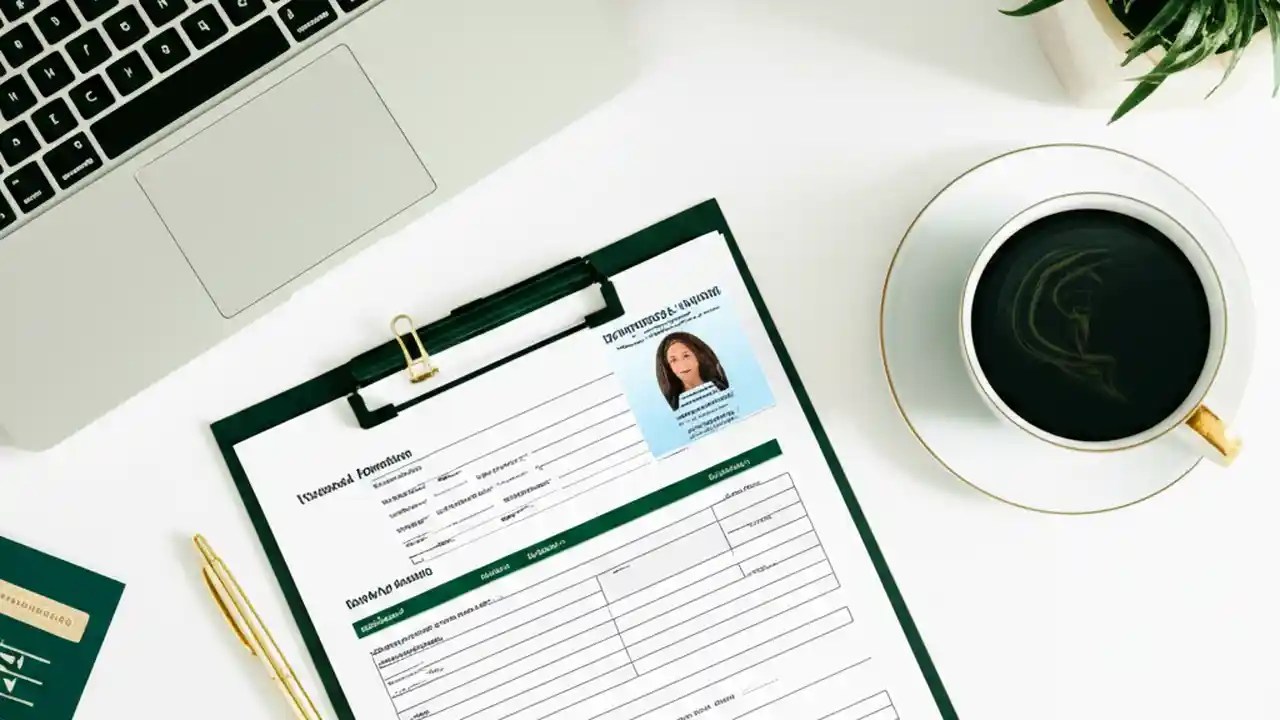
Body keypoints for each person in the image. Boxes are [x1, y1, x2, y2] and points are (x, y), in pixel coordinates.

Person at [655, 332, 729, 410]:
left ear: (697, 356)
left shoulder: (721, 388)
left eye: (686, 356)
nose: (682, 365)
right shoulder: (675, 405)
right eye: (673, 360)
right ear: (669, 367)